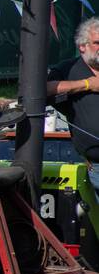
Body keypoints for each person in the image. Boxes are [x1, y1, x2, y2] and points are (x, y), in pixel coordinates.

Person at [47, 19, 99, 183]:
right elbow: (43, 89)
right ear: (82, 46)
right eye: (97, 42)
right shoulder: (68, 69)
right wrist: (87, 84)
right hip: (95, 165)